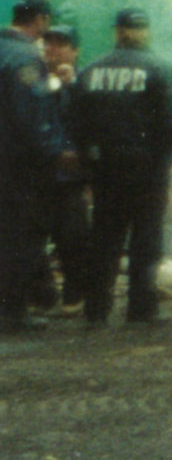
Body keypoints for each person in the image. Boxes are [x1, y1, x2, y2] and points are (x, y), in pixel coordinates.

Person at [70, 8, 172, 326]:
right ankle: (141, 308)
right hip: (147, 166)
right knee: (146, 239)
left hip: (104, 165)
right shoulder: (159, 69)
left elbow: (76, 121)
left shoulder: (92, 70)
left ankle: (96, 309)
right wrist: (164, 161)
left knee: (104, 237)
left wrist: (88, 162)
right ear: (144, 31)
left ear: (116, 31)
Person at [1, 0, 67, 335]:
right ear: (39, 20)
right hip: (17, 163)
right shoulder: (26, 58)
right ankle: (13, 311)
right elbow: (33, 117)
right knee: (20, 236)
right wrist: (54, 152)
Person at [37, 25, 93, 317]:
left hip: (70, 173)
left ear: (75, 49)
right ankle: (43, 294)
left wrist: (72, 87)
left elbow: (91, 121)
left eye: (61, 44)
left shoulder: (85, 81)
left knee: (72, 236)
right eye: (49, 43)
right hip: (39, 171)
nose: (53, 49)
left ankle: (75, 296)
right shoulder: (34, 78)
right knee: (32, 236)